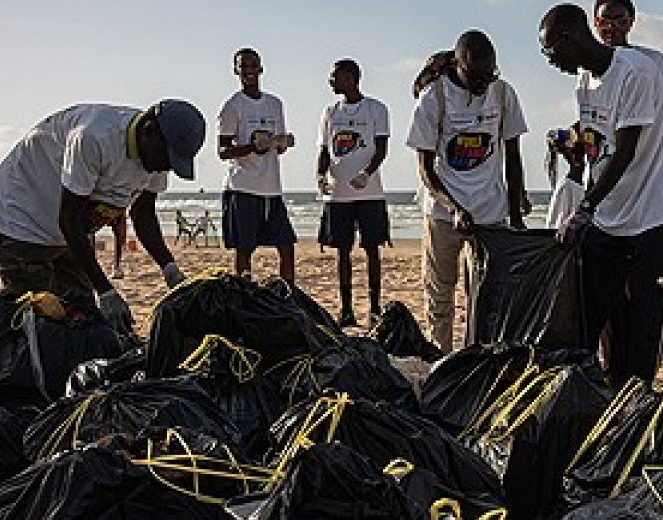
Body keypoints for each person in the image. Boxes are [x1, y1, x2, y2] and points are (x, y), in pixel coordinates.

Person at [539, 3, 663, 387]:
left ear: (570, 37)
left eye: (550, 51)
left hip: (655, 214)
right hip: (610, 215)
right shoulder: (584, 79)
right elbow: (596, 145)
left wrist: (584, 207)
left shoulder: (636, 73)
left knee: (646, 325)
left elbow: (624, 153)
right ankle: (600, 396)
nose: (551, 62)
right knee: (596, 317)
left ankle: (635, 400)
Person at [0, 100, 204, 332]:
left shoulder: (157, 157)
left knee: (83, 315)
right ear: (148, 130)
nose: (166, 168)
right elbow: (69, 220)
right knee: (37, 319)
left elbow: (143, 214)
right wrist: (106, 291)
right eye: (166, 158)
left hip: (71, 232)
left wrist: (170, 270)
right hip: (24, 216)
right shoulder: (94, 137)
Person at [406, 31, 528, 352]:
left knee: (487, 294)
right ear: (458, 66)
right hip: (444, 213)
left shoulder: (502, 93)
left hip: (491, 212)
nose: (483, 83)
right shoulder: (435, 97)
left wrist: (515, 214)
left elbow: (513, 157)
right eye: (475, 76)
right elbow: (426, 169)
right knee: (441, 294)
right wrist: (454, 207)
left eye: (490, 75)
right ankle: (441, 359)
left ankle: (478, 356)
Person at [315, 58, 392, 328]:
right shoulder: (330, 112)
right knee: (342, 251)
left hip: (369, 193)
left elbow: (381, 149)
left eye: (335, 76)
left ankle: (374, 309)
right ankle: (346, 310)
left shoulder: (376, 109)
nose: (330, 81)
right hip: (338, 195)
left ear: (350, 77)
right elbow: (325, 150)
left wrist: (367, 173)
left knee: (372, 250)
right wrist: (319, 176)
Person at [217, 47, 297, 283]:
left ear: (261, 68)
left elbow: (278, 145)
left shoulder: (275, 104)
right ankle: (244, 296)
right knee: (244, 249)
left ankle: (288, 299)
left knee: (286, 246)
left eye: (253, 65)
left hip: (271, 189)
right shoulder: (233, 105)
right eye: (243, 66)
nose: (249, 71)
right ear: (236, 71)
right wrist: (253, 147)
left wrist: (282, 143)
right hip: (242, 187)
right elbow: (223, 150)